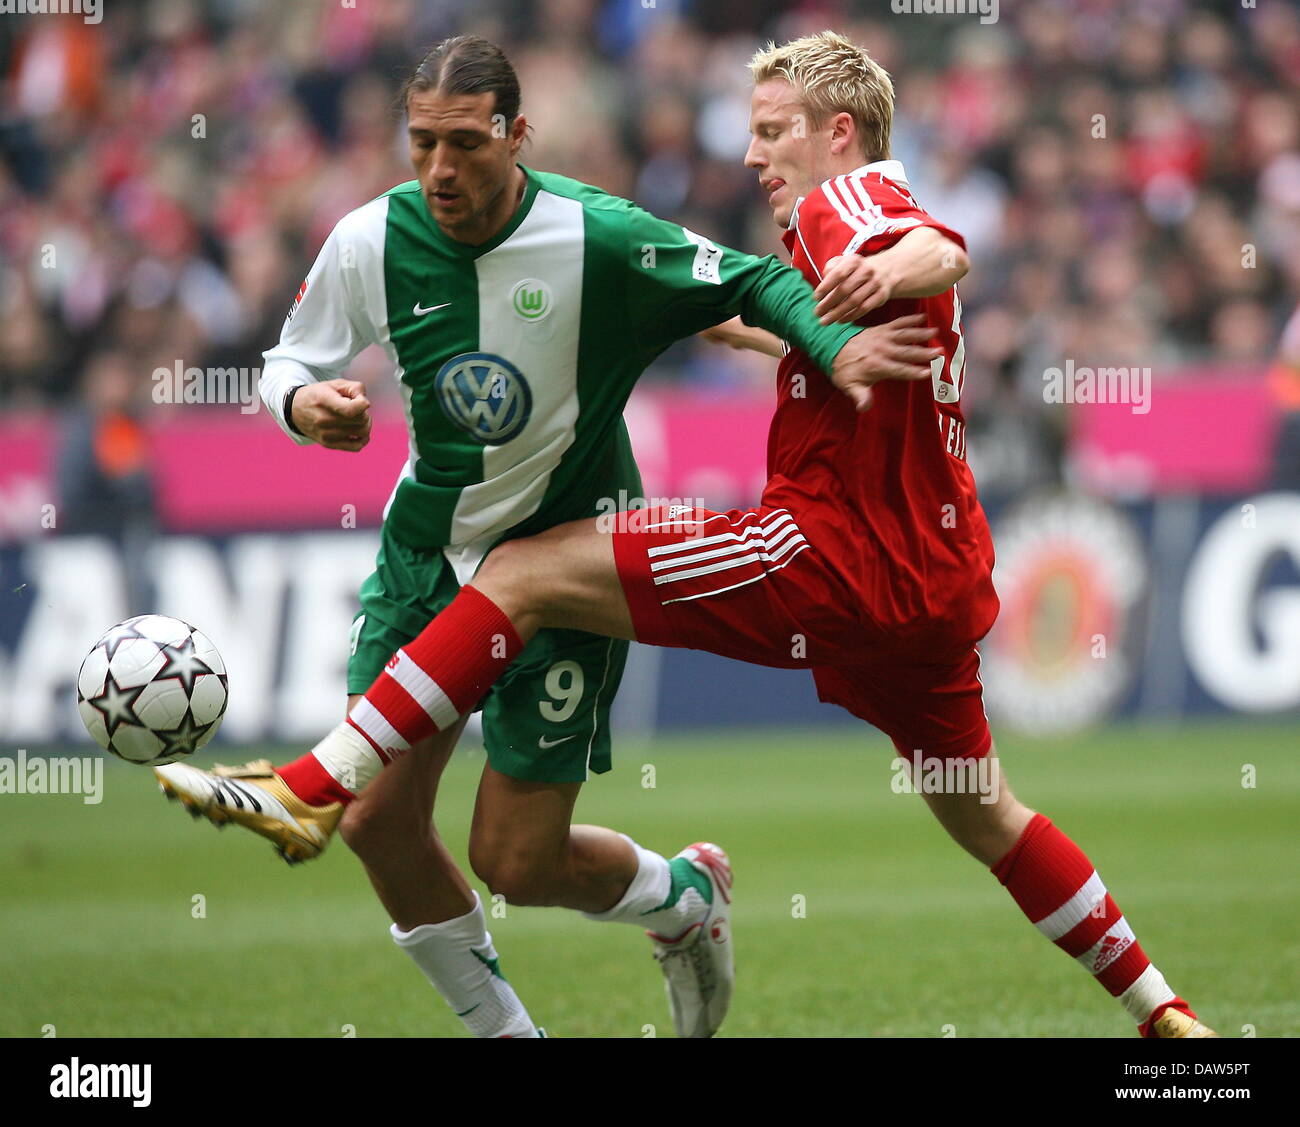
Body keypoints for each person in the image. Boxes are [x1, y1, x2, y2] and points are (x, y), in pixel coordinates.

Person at [154, 33, 935, 1040]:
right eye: (421, 143)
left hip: (564, 568)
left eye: (465, 144)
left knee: (515, 860)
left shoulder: (596, 237)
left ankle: (684, 893)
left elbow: (749, 280)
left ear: (516, 135)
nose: (439, 168)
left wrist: (836, 342)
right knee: (377, 820)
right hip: (428, 558)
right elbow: (284, 360)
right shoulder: (368, 240)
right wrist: (304, 402)